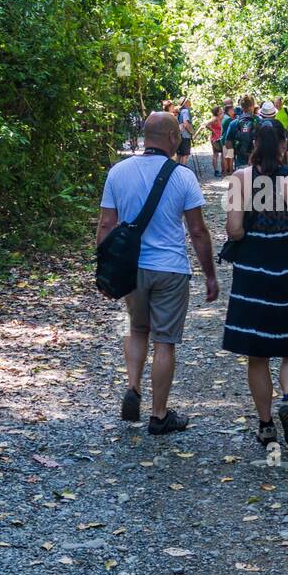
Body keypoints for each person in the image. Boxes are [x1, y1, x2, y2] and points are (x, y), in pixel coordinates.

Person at [97, 112, 218, 435]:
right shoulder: (182, 176)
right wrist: (210, 275)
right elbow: (197, 231)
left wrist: (105, 270)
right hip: (170, 268)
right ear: (170, 138)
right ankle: (159, 415)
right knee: (164, 341)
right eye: (177, 135)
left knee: (137, 329)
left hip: (130, 268)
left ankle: (133, 386)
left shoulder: (118, 172)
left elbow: (106, 225)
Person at [223, 120, 288, 449]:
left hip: (252, 275)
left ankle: (266, 424)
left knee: (257, 353)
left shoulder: (240, 178)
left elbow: (234, 231)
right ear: (286, 145)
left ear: (254, 144)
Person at [225, 96, 259, 168]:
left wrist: (232, 159)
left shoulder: (234, 123)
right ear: (253, 106)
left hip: (240, 162)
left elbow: (228, 143)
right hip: (257, 163)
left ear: (241, 107)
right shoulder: (259, 121)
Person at [175, 98, 194, 164]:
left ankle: (176, 171)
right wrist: (191, 132)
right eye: (189, 101)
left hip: (179, 135)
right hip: (185, 136)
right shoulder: (185, 111)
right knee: (185, 155)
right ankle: (183, 171)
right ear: (185, 103)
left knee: (179, 155)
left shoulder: (178, 111)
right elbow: (186, 124)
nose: (190, 103)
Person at [220, 105, 237, 175]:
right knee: (230, 156)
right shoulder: (229, 119)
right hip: (228, 139)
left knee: (225, 156)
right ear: (229, 111)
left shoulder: (224, 117)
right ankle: (230, 171)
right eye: (232, 110)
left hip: (223, 139)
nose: (234, 112)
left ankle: (225, 171)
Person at [207, 105, 224, 178]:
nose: (221, 110)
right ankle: (217, 171)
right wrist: (213, 131)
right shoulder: (215, 118)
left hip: (217, 138)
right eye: (220, 109)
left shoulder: (219, 118)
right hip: (215, 139)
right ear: (217, 112)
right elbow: (207, 125)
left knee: (217, 154)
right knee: (216, 155)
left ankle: (220, 170)